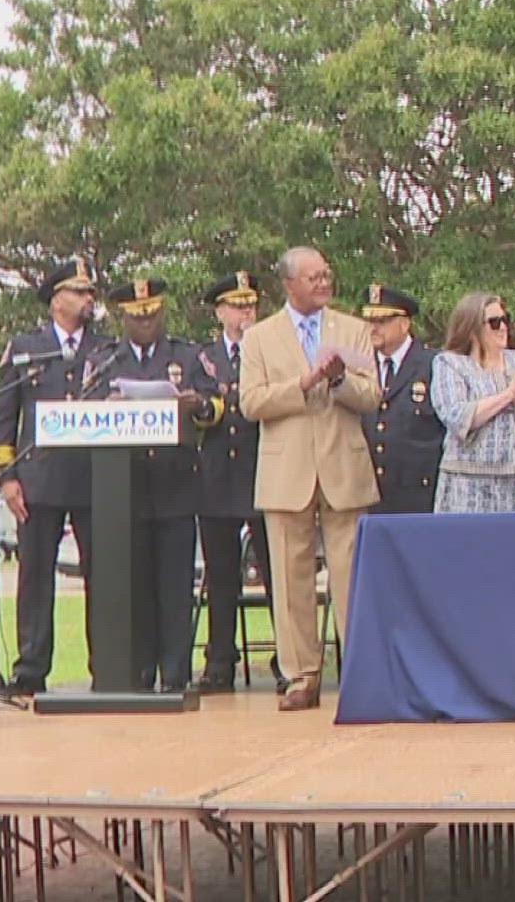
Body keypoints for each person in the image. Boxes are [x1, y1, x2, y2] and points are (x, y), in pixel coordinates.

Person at [239, 247, 382, 711]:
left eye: (327, 274)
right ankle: (300, 675)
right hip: (287, 471)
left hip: (343, 466)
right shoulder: (259, 338)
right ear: (289, 285)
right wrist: (305, 382)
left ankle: (360, 672)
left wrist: (340, 382)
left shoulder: (354, 329)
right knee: (289, 576)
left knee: (351, 577)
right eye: (313, 277)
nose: (324, 283)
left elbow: (373, 396)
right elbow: (251, 403)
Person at [0, 257, 114, 697]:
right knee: (35, 578)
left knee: (102, 576)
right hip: (38, 479)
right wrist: (7, 477)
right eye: (79, 292)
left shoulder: (106, 349)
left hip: (94, 478)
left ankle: (108, 666)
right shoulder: (26, 347)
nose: (88, 300)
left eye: (90, 293)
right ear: (57, 300)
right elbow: (5, 418)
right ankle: (31, 669)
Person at [103, 278, 221, 693]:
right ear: (124, 320)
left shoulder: (186, 355)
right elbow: (81, 407)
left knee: (174, 588)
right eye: (137, 317)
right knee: (135, 588)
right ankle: (137, 672)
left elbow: (215, 402)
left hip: (175, 484)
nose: (146, 323)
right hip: (125, 490)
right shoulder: (107, 360)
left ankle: (175, 674)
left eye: (152, 314)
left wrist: (198, 405)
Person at [192, 271, 278, 693]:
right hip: (217, 477)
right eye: (237, 306)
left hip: (265, 472)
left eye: (251, 305)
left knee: (276, 572)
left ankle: (289, 661)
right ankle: (220, 661)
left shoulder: (273, 350)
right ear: (220, 311)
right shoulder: (203, 357)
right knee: (221, 575)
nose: (246, 313)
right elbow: (196, 405)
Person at [430, 292, 515, 513]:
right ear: (471, 328)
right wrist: (509, 393)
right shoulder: (449, 363)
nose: (503, 327)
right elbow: (457, 415)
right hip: (470, 481)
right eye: (494, 322)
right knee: (472, 546)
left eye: (505, 320)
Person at [360, 284, 445, 513]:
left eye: (383, 321)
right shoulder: (360, 366)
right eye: (370, 321)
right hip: (372, 495)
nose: (374, 328)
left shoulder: (433, 364)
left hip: (420, 495)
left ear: (405, 323)